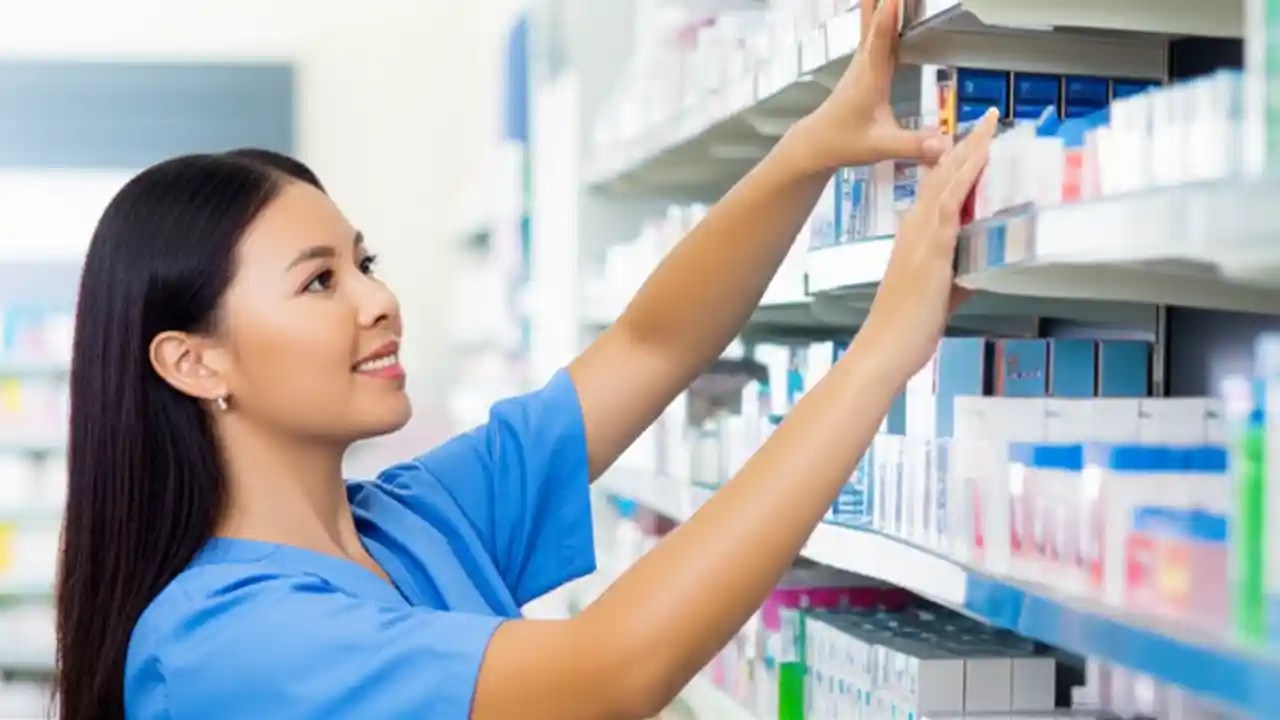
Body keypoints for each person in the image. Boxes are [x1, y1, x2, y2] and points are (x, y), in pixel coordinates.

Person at [54, 2, 997, 718]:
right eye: (319, 281)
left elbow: (652, 344)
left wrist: (807, 153)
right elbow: (611, 674)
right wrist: (880, 353)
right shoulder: (224, 641)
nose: (379, 300)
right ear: (194, 363)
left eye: (364, 263)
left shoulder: (410, 520)